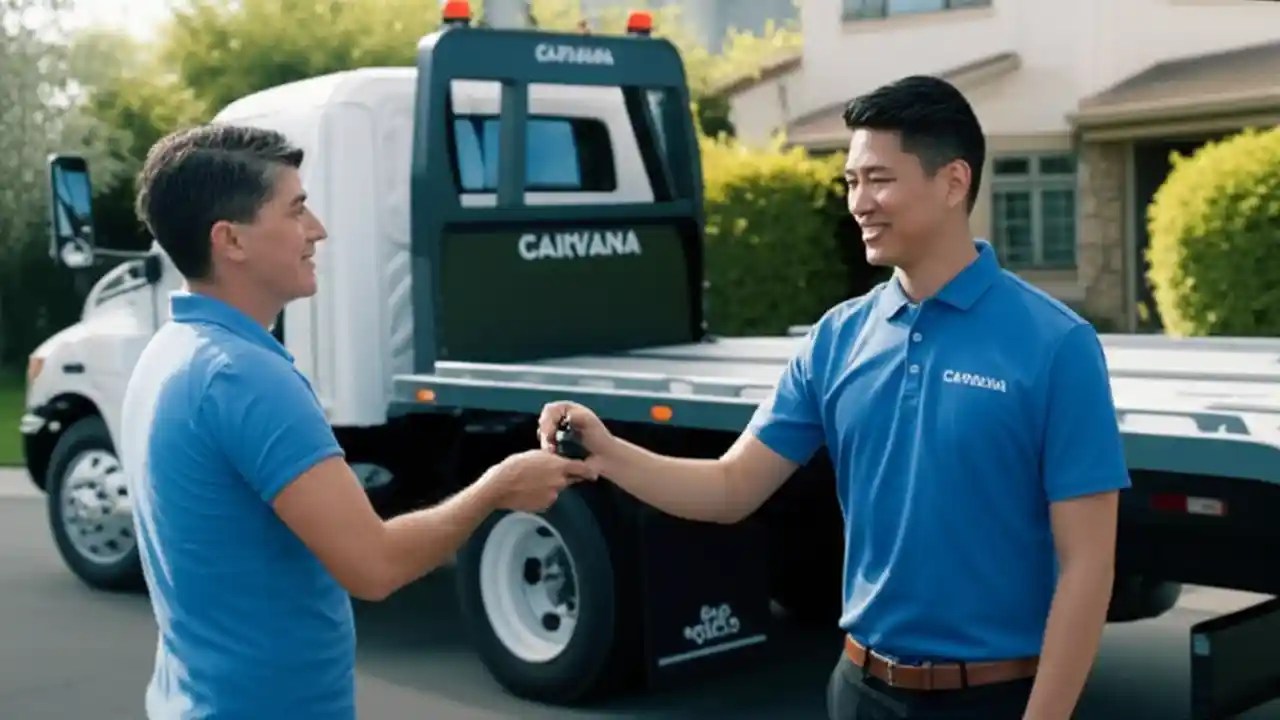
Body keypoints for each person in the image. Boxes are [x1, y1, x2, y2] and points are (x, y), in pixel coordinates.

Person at [537, 75, 1130, 720]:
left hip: (993, 699)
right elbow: (731, 488)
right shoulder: (837, 338)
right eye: (851, 181)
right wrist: (608, 452)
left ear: (953, 182)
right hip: (859, 691)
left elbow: (1088, 565)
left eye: (879, 178)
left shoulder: (1055, 344)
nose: (859, 202)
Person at [119, 124, 595, 720]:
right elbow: (375, 566)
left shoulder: (172, 352)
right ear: (231, 240)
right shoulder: (243, 376)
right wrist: (499, 488)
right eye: (295, 211)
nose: (317, 229)